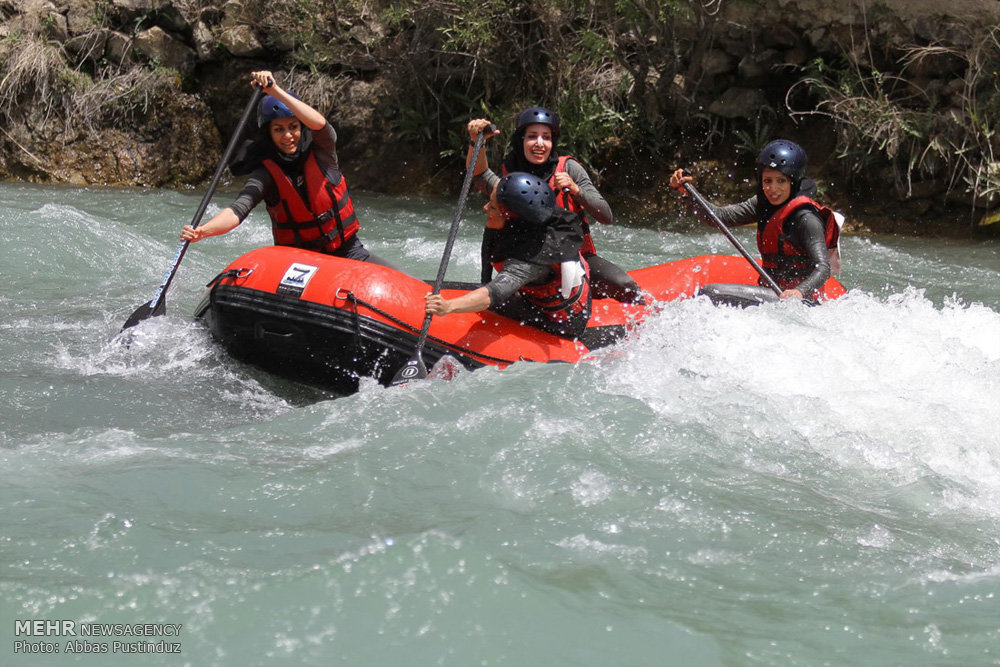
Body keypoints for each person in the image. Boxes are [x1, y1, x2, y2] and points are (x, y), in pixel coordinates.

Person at [180, 70, 401, 272]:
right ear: (269, 134)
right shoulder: (265, 173)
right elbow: (237, 210)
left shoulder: (323, 151)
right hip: (298, 263)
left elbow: (321, 125)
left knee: (405, 284)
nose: (287, 136)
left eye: (293, 127)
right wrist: (203, 231)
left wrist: (274, 91)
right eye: (279, 129)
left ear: (301, 127)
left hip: (347, 251)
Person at [465, 107, 644, 304]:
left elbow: (606, 216)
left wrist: (575, 189)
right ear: (521, 140)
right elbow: (480, 175)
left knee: (627, 287)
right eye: (532, 136)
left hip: (572, 258)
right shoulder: (511, 176)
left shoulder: (568, 168)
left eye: (546, 137)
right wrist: (477, 142)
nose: (540, 143)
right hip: (525, 259)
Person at [669, 139, 842, 305]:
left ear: (793, 181)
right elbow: (719, 217)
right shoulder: (761, 204)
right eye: (768, 181)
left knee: (710, 293)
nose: (773, 189)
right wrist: (688, 193)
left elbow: (823, 268)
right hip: (772, 294)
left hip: (799, 302)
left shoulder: (806, 219)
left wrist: (798, 292)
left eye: (781, 181)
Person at [425, 172, 592, 339]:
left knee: (494, 302)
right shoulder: (533, 214)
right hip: (545, 293)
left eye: (493, 206)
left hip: (562, 323)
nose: (485, 208)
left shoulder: (528, 259)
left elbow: (493, 293)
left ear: (511, 219)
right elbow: (483, 175)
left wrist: (448, 306)